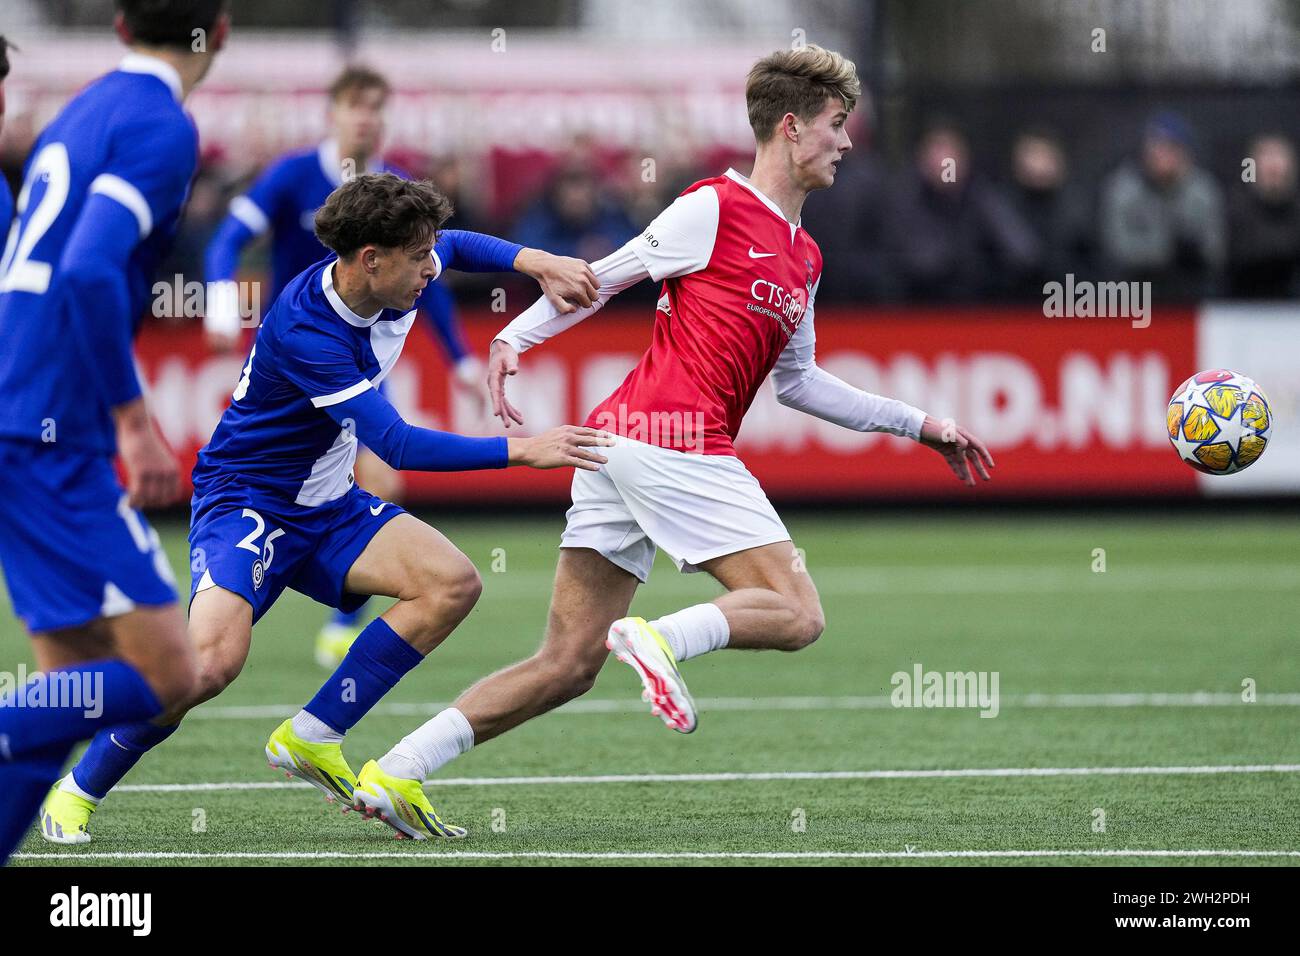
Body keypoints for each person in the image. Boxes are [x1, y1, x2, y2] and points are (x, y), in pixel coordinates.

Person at [342, 45, 995, 841]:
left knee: (566, 664)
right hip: (672, 439)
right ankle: (658, 638)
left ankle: (394, 772)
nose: (846, 141)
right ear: (791, 129)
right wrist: (518, 336)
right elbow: (605, 277)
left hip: (618, 447)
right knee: (796, 613)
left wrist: (921, 425)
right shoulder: (714, 205)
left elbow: (802, 383)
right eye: (835, 124)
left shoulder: (805, 255)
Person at [0, 0, 230, 864]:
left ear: (123, 26)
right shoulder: (160, 123)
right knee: (170, 676)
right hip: (52, 427)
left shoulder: (80, 110)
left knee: (69, 693)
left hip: (16, 409)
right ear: (222, 30)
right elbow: (91, 267)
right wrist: (134, 421)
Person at [202, 66, 486, 669]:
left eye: (377, 109)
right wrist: (223, 301)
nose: (367, 119)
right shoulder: (292, 174)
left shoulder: (395, 191)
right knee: (320, 468)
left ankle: (340, 624)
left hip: (360, 365)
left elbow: (431, 272)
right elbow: (224, 241)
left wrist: (460, 356)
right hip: (301, 360)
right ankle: (257, 568)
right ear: (332, 112)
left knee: (382, 482)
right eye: (357, 107)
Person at [1098, 111, 1226, 300]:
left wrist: (1194, 253)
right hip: (1135, 290)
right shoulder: (1123, 188)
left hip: (1192, 289)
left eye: (1171, 148)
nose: (1162, 156)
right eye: (1156, 148)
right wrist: (1169, 251)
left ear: (1186, 154)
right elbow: (1117, 248)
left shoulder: (1202, 190)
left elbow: (1216, 250)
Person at [1227, 133, 1300, 298]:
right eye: (1266, 156)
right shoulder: (1237, 210)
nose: (1273, 165)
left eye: (1278, 157)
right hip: (1245, 303)